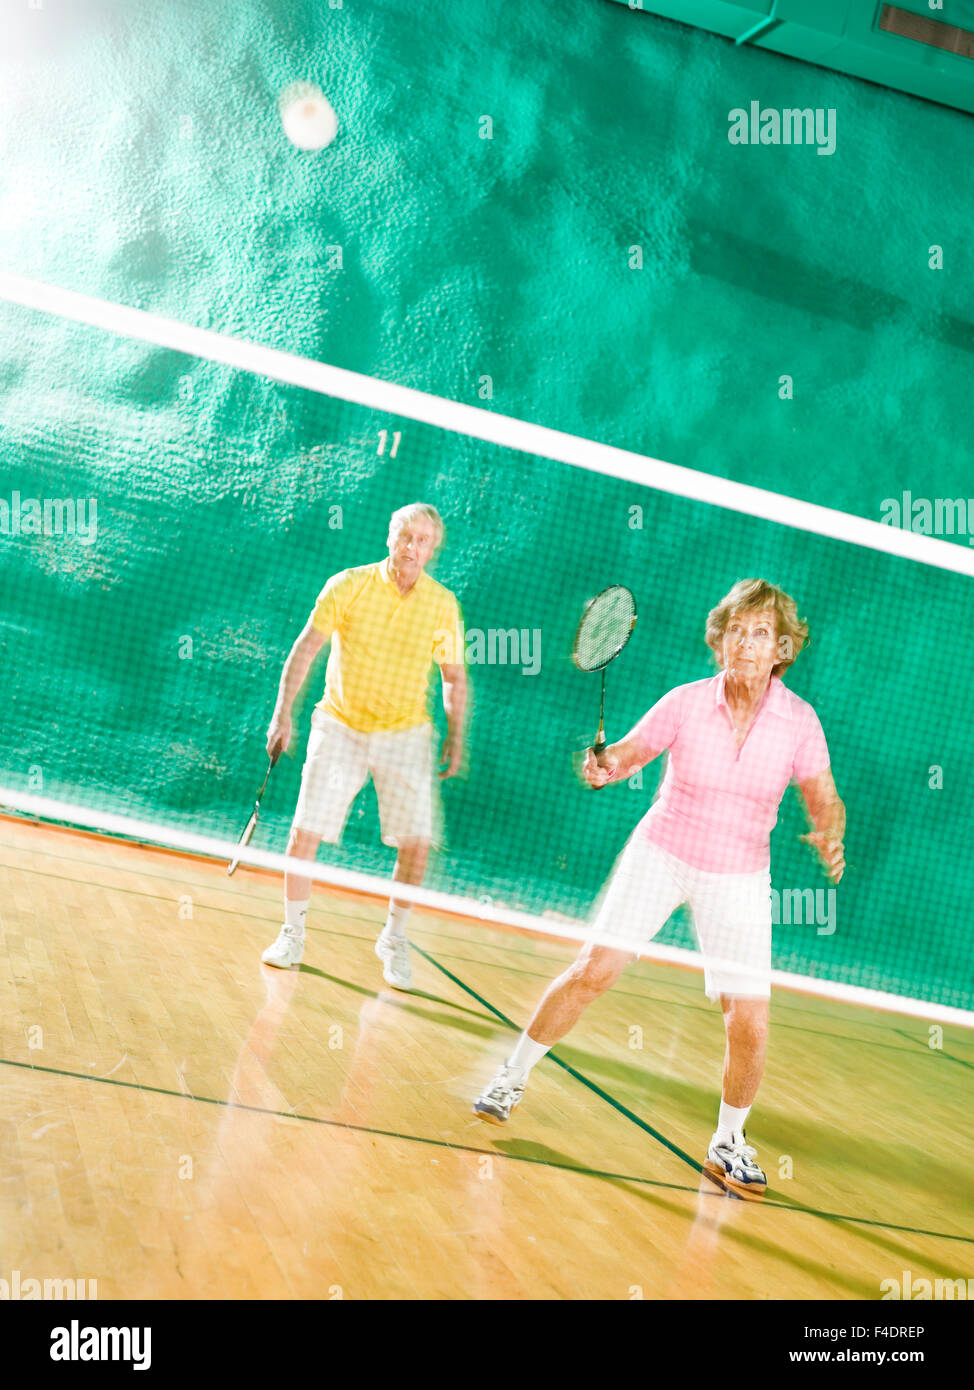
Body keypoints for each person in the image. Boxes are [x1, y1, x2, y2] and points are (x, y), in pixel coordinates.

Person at [473, 578, 844, 1198]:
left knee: (749, 1019)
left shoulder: (799, 723)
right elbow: (627, 755)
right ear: (719, 640)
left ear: (781, 648)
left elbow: (824, 799)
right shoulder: (685, 701)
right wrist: (603, 766)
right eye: (735, 631)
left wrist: (828, 833)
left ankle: (729, 1140)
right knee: (594, 969)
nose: (746, 645)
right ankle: (511, 1076)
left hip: (740, 874)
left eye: (761, 634)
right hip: (664, 851)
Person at [261, 503, 466, 991]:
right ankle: (293, 933)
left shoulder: (442, 603)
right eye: (407, 538)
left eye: (424, 542)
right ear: (390, 537)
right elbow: (306, 648)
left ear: (431, 550)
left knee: (417, 842)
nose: (413, 549)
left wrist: (455, 735)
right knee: (305, 829)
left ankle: (393, 939)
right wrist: (282, 713)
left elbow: (453, 677)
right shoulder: (347, 585)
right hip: (341, 724)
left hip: (404, 732)